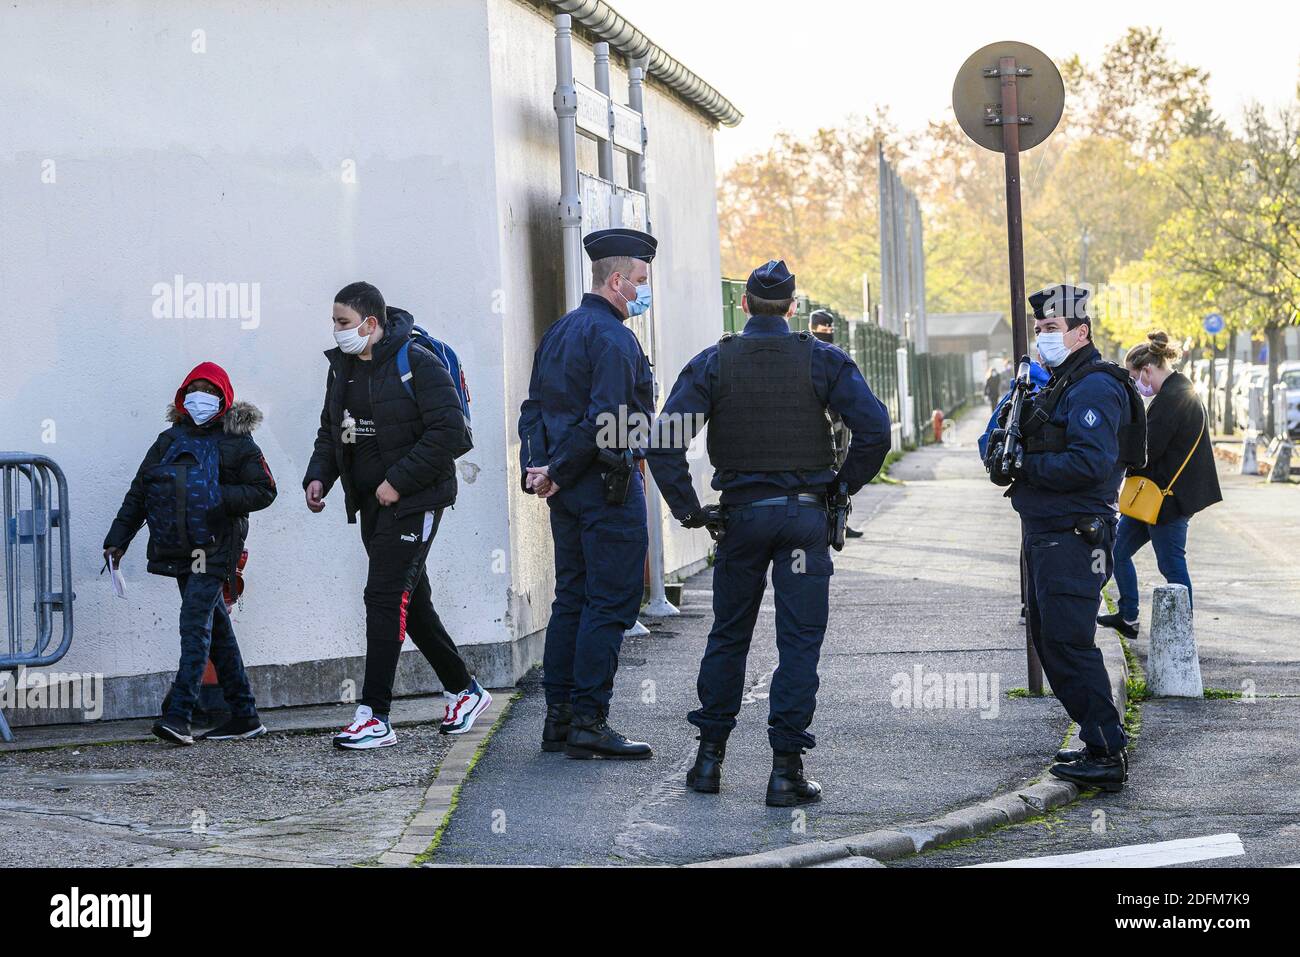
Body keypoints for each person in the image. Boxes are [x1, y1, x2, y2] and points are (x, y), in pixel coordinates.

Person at [647, 260, 892, 806]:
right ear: (793, 306)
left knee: (729, 634)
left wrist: (691, 511)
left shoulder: (716, 362)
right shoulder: (823, 359)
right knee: (799, 641)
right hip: (805, 520)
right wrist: (841, 486)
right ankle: (786, 770)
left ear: (744, 305)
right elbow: (875, 429)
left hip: (740, 518)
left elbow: (663, 441)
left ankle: (708, 760)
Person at [304, 282, 489, 750]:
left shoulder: (416, 363)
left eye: (343, 322)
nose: (337, 331)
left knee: (384, 596)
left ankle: (375, 715)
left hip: (415, 500)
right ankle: (464, 690)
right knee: (413, 601)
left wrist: (398, 481)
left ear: (371, 322)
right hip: (370, 501)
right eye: (334, 322)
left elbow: (451, 433)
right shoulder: (342, 369)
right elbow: (332, 430)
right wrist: (319, 476)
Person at [984, 285, 1146, 793]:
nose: (1043, 338)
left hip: (1074, 534)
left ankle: (1106, 751)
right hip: (1051, 531)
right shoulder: (1058, 382)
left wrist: (1026, 466)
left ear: (1081, 332)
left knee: (1067, 642)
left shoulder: (1094, 387)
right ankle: (1099, 740)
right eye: (1038, 331)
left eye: (1051, 329)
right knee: (1051, 639)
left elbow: (1091, 463)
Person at [517, 228, 657, 760]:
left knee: (572, 598)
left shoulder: (558, 332)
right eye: (640, 281)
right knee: (610, 602)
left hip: (568, 491)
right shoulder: (616, 340)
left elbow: (534, 410)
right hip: (608, 488)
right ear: (617, 280)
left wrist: (542, 469)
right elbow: (608, 421)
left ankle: (560, 719)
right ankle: (589, 722)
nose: (644, 291)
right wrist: (559, 467)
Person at [103, 362, 277, 745]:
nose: (200, 398)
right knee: (216, 632)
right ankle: (245, 715)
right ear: (183, 398)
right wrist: (119, 538)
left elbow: (264, 490)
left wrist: (219, 497)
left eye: (209, 391)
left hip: (216, 548)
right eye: (193, 390)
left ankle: (179, 714)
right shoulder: (168, 440)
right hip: (180, 547)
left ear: (224, 398)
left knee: (194, 624)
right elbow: (140, 491)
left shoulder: (238, 440)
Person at [1099, 331, 1221, 639]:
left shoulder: (1174, 397)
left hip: (1167, 501)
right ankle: (1128, 616)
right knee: (1117, 551)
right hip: (1151, 498)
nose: (1136, 385)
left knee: (1172, 567)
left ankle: (1181, 636)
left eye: (1134, 378)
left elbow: (1147, 450)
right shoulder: (1177, 391)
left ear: (1148, 370)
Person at [809, 309, 863, 538]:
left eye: (831, 330)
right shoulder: (810, 354)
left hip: (840, 424)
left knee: (840, 473)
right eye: (824, 330)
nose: (828, 333)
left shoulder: (833, 354)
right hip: (821, 426)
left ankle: (840, 520)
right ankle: (826, 521)